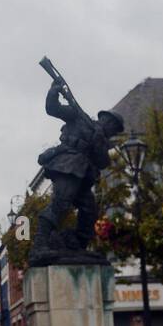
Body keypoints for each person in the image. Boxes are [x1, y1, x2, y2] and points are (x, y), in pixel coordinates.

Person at [30, 80, 124, 261]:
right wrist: (54, 91)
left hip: (83, 175)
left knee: (89, 209)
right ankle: (39, 246)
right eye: (112, 126)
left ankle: (79, 245)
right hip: (67, 166)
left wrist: (98, 142)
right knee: (60, 203)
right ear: (104, 119)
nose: (112, 131)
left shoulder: (103, 140)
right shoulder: (79, 117)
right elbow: (52, 108)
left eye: (115, 130)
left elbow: (103, 162)